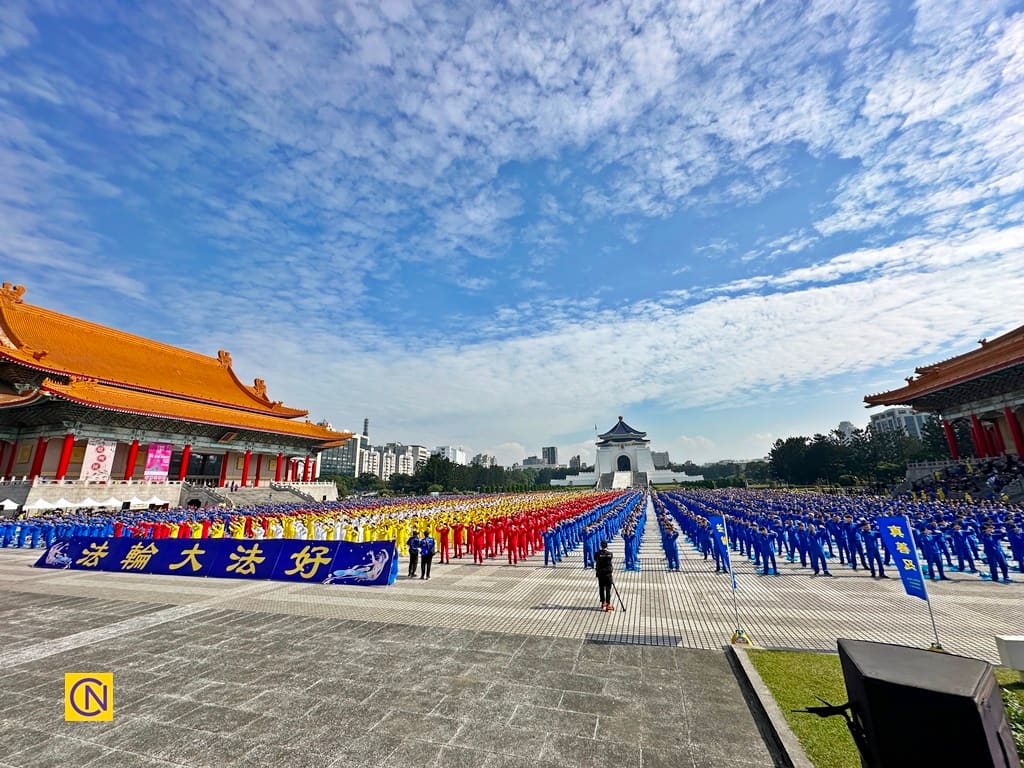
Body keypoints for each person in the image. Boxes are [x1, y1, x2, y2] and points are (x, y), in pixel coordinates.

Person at [595, 539, 615, 612]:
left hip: (600, 573)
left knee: (601, 588)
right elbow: (610, 560)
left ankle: (603, 602)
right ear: (607, 546)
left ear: (601, 546)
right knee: (608, 589)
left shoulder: (597, 553)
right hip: (608, 574)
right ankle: (608, 604)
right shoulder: (610, 554)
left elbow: (595, 559)